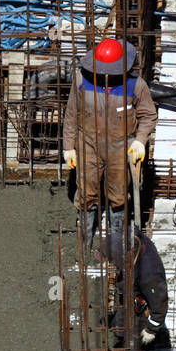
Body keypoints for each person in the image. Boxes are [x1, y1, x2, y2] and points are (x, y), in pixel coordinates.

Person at [62, 37, 157, 248]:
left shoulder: (135, 85)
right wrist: (68, 146)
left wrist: (140, 141)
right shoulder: (80, 81)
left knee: (119, 194)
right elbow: (71, 115)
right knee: (87, 192)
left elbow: (148, 115)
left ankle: (116, 244)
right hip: (88, 146)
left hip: (120, 148)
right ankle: (84, 244)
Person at [107, 227, 168, 351]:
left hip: (142, 309)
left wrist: (151, 328)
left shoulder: (149, 272)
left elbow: (160, 303)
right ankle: (128, 349)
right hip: (130, 296)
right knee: (120, 330)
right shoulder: (129, 239)